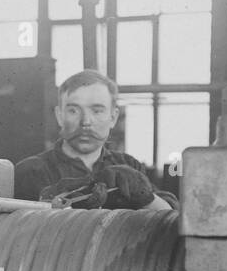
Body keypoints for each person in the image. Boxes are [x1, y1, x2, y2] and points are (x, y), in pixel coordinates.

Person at [13, 69, 173, 209]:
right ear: (59, 116)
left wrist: (146, 197)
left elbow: (170, 220)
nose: (86, 122)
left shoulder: (129, 165)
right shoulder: (30, 172)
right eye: (74, 111)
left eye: (97, 111)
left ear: (113, 117)